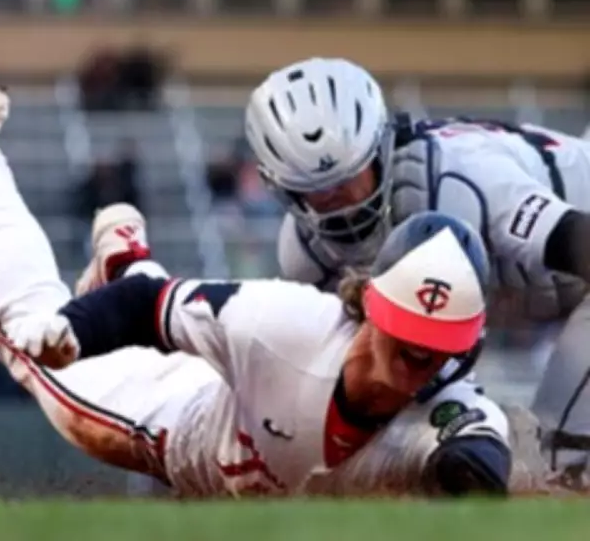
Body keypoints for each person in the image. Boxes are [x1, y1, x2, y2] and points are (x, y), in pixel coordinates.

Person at [0, 78, 532, 497]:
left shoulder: (447, 405)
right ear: (371, 305)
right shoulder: (291, 323)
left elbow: (478, 456)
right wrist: (73, 329)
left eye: (441, 345)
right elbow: (149, 310)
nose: (424, 362)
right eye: (411, 338)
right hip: (176, 417)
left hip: (236, 392)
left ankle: (128, 255)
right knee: (30, 349)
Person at [242, 56, 590, 489]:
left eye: (352, 176)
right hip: (538, 295)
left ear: (382, 148)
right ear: (282, 188)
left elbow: (578, 241)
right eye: (315, 191)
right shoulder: (304, 253)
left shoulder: (457, 174)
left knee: (558, 461)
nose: (341, 200)